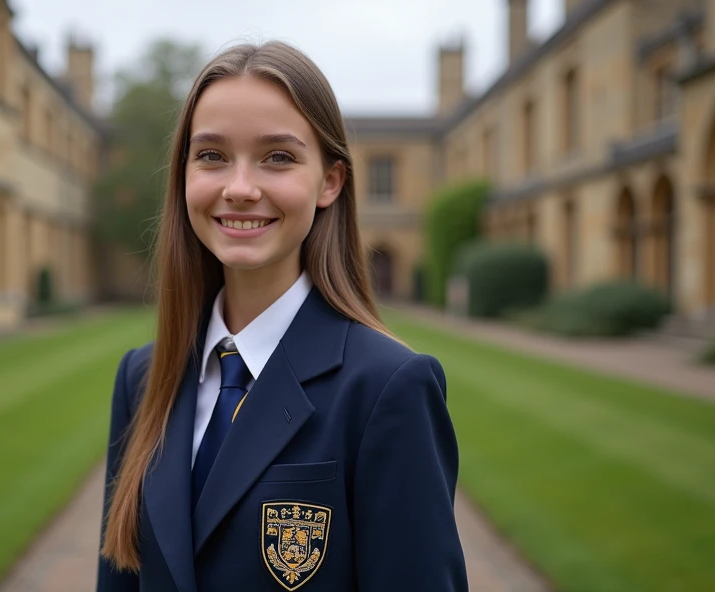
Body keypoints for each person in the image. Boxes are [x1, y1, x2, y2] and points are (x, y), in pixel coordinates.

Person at [96, 40, 467, 592]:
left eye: (278, 157)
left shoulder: (387, 389)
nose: (240, 188)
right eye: (212, 155)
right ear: (183, 175)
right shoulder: (142, 378)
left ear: (330, 182)